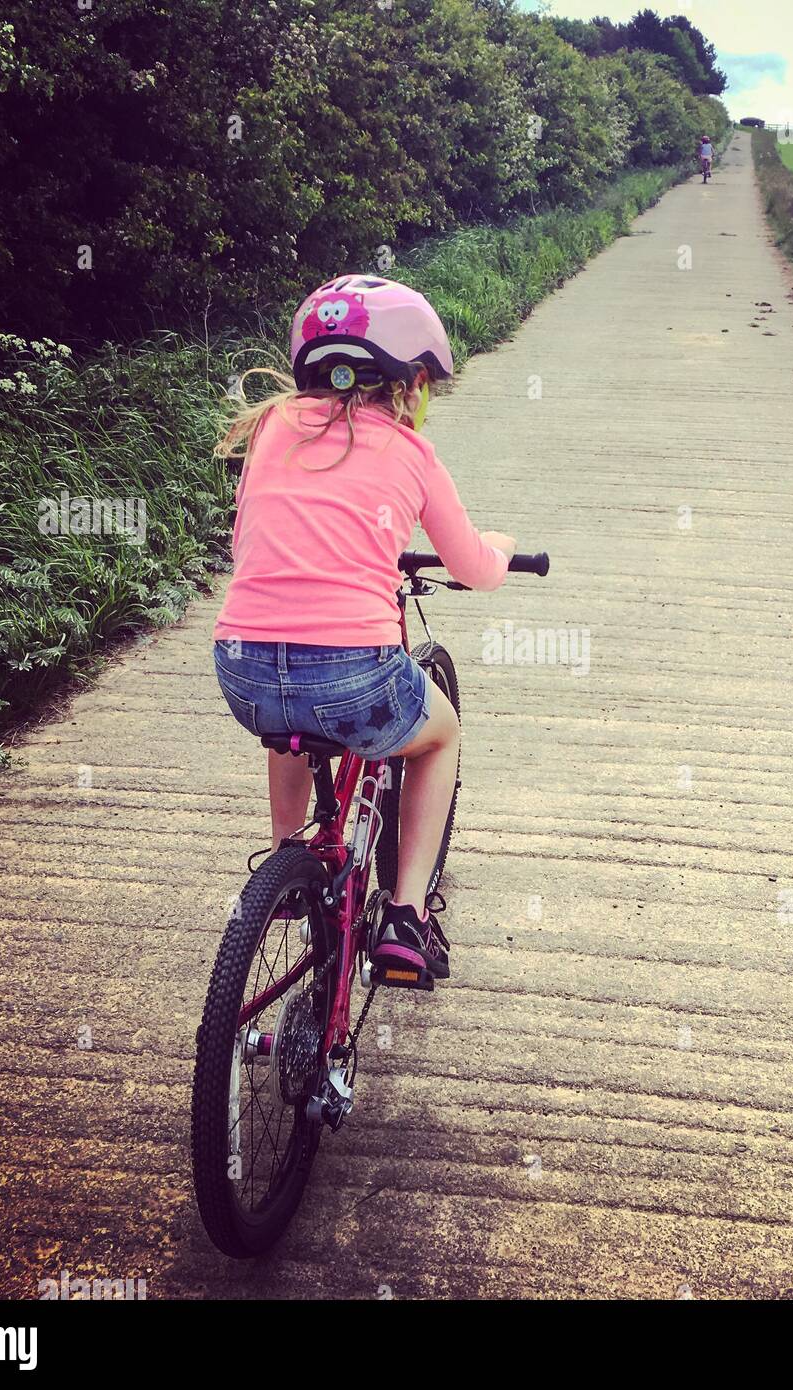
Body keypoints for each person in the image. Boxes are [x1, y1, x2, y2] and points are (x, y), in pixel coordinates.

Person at [212, 274, 516, 984]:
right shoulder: (412, 454)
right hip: (352, 675)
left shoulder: (270, 430)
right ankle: (407, 917)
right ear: (407, 384)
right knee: (439, 736)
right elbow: (469, 566)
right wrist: (498, 550)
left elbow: (249, 542)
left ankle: (288, 863)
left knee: (289, 723)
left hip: (242, 669)